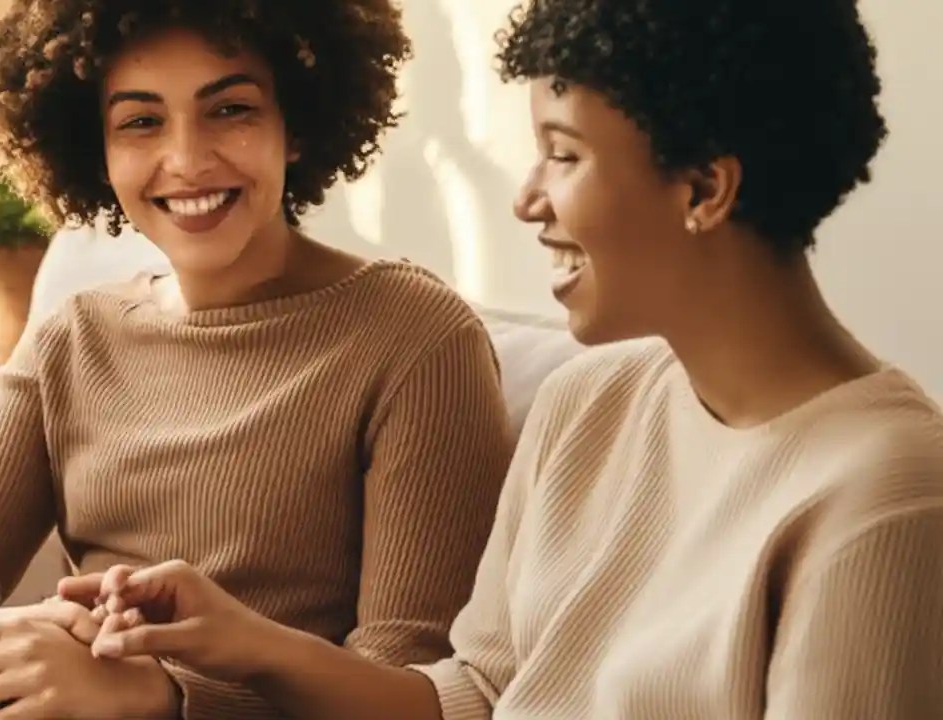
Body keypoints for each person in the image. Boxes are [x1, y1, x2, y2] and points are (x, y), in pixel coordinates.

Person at [58, 0, 943, 717]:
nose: (527, 200)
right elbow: (471, 697)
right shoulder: (591, 401)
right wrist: (241, 639)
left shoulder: (885, 499)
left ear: (705, 188)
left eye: (562, 155)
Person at [0, 2, 516, 719]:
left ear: (296, 125)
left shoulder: (415, 337)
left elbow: (412, 693)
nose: (186, 160)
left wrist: (161, 693)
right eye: (140, 121)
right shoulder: (78, 335)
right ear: (94, 152)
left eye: (231, 109)